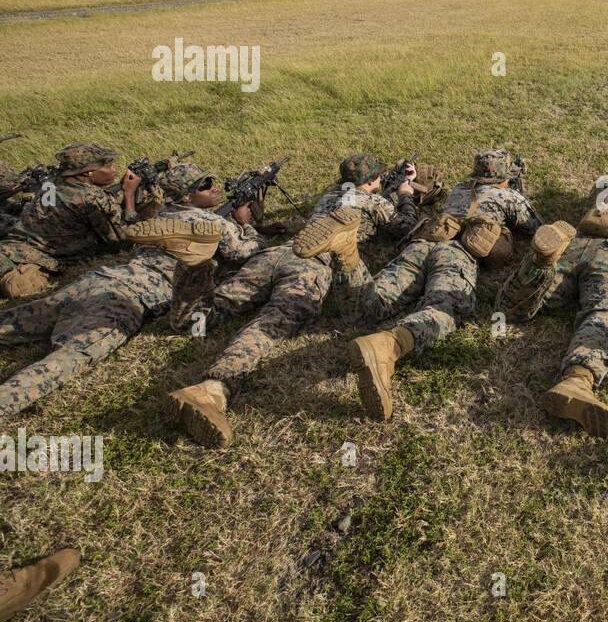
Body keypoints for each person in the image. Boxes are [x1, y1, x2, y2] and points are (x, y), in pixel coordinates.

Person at [147, 153, 421, 445]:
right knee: (272, 322)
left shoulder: (329, 197)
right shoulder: (374, 202)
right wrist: (404, 195)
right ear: (370, 182)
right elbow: (404, 227)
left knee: (212, 309)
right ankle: (214, 388)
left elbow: (350, 196)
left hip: (276, 254)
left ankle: (191, 271)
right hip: (313, 264)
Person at [0, 162, 260, 419]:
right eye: (205, 185)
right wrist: (245, 225)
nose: (215, 188)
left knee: (11, 323)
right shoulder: (213, 224)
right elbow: (245, 253)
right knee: (66, 361)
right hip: (130, 297)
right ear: (187, 196)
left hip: (99, 279)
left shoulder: (161, 215)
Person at [295, 149, 540, 419]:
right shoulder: (508, 196)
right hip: (457, 254)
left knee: (371, 307)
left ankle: (347, 255)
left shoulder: (460, 189)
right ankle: (390, 345)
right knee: (447, 307)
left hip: (420, 243)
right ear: (505, 177)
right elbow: (534, 227)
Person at [495, 151, 608, 435]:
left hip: (575, 242)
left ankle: (537, 265)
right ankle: (577, 380)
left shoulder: (603, 183)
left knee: (538, 294)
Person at [0, 143, 142, 298]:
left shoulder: (50, 184)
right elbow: (123, 240)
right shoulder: (91, 197)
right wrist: (129, 195)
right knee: (20, 287)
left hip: (10, 247)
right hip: (34, 261)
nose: (114, 170)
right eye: (108, 166)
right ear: (89, 172)